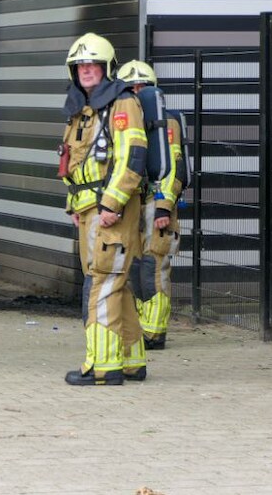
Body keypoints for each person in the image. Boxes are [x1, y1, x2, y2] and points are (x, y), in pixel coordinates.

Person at [59, 33, 148, 386]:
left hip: (110, 211)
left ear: (107, 67)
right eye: (80, 64)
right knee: (115, 283)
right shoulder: (84, 109)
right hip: (88, 210)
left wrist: (111, 205)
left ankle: (102, 366)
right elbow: (75, 161)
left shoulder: (122, 104)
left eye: (93, 63)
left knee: (103, 284)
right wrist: (74, 204)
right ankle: (131, 359)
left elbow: (131, 158)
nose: (86, 70)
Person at [116, 60, 182, 350]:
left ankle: (155, 333)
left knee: (153, 267)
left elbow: (172, 169)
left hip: (155, 206)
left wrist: (164, 208)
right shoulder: (124, 121)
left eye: (142, 87)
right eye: (131, 88)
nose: (137, 92)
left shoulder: (166, 124)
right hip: (133, 205)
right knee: (133, 267)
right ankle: (140, 328)